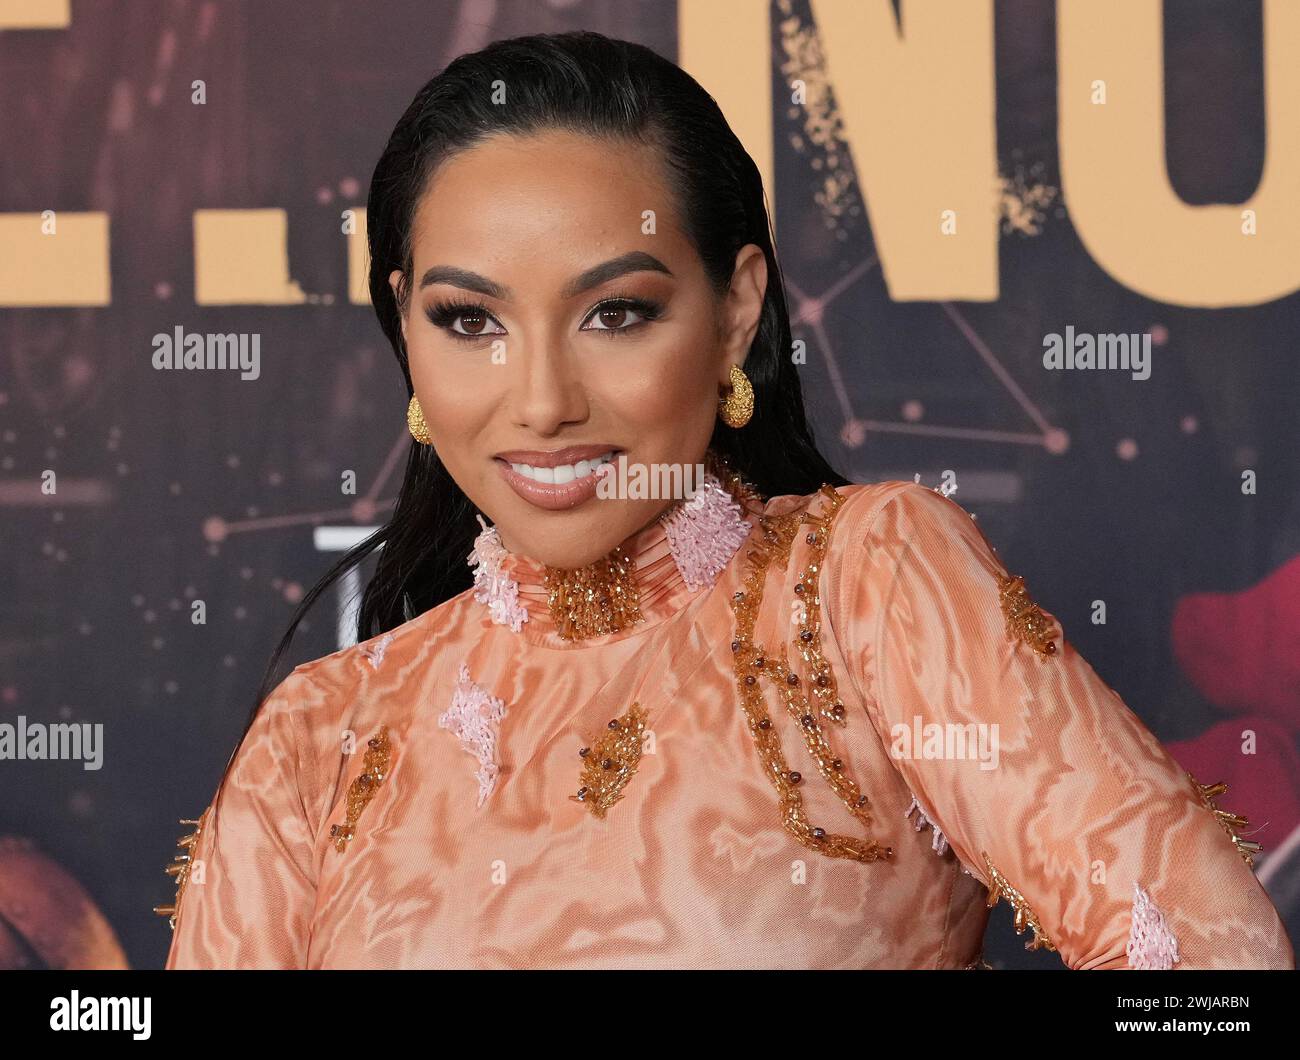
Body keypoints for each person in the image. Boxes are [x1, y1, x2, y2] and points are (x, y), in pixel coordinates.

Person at [159, 31, 1293, 970]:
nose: (542, 400)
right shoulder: (321, 735)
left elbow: (1210, 962)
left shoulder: (864, 586)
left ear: (736, 309)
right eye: (470, 321)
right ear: (404, 324)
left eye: (617, 313)